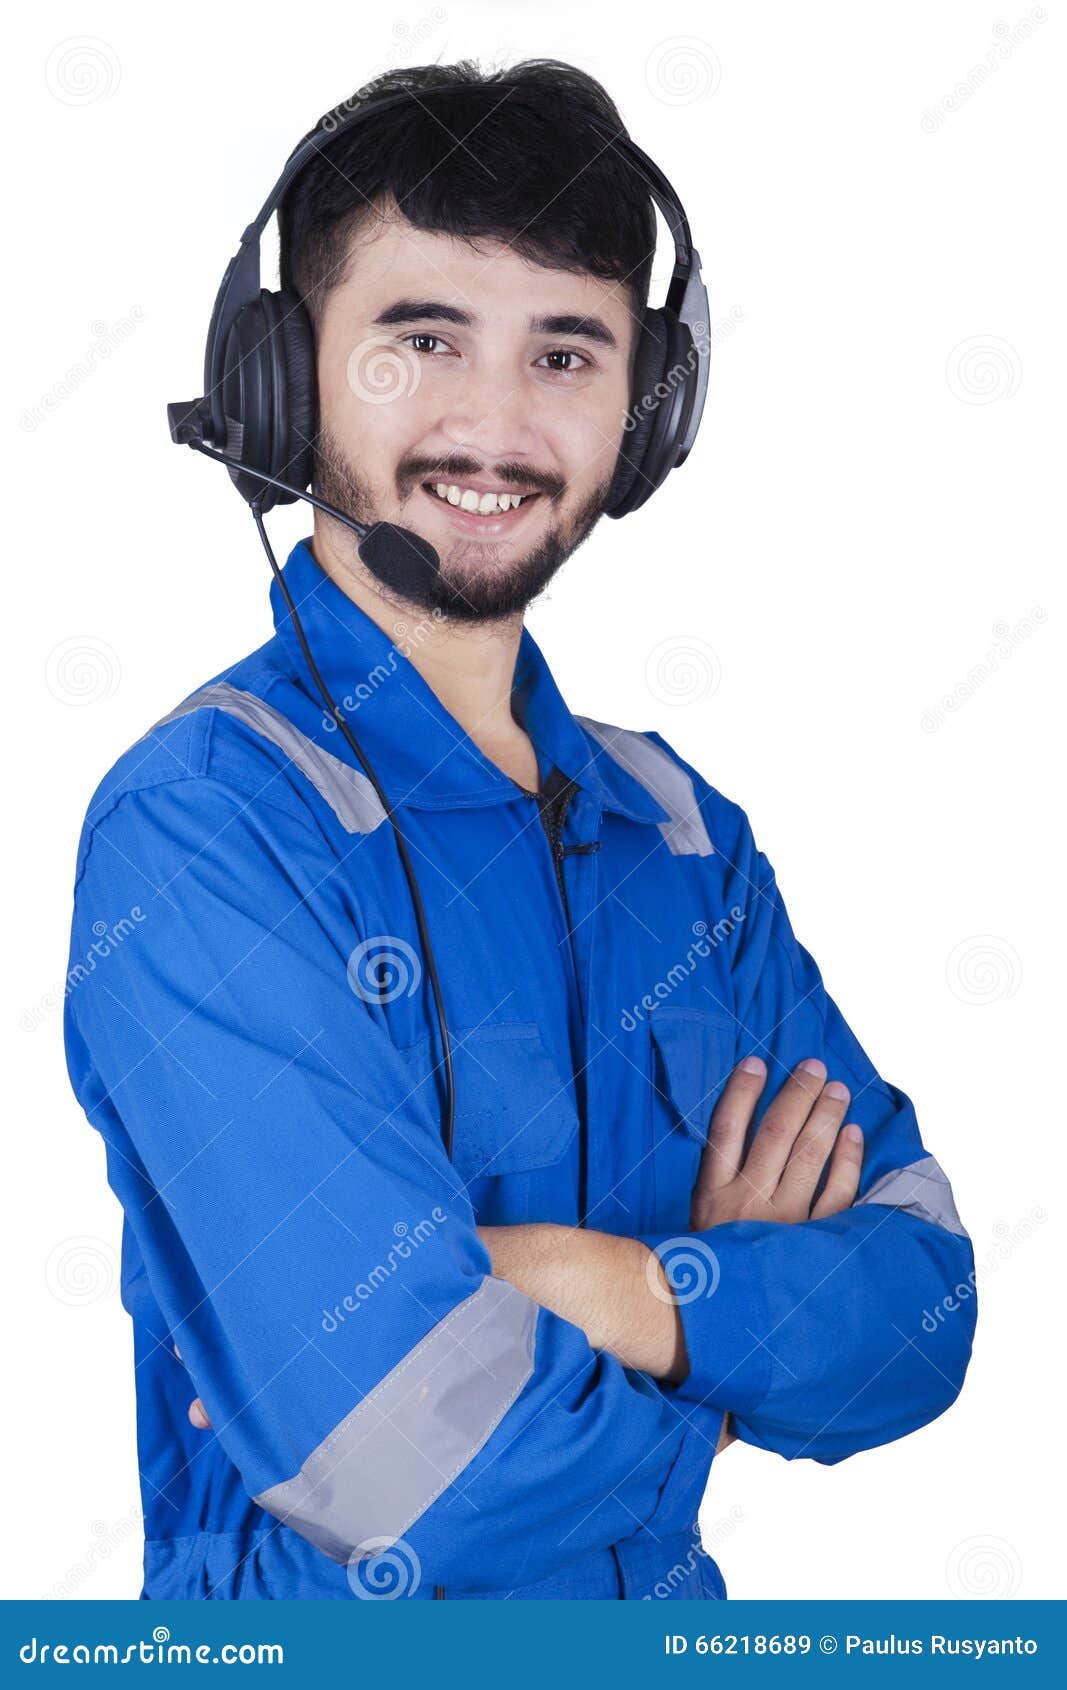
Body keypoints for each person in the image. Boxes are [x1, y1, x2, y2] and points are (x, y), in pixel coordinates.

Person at [63, 60, 975, 1602]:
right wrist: (729, 1343)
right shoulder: (209, 827)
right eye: (421, 341)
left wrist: (591, 1282)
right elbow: (425, 1470)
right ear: (283, 375)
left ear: (650, 408)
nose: (493, 423)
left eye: (567, 351)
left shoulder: (682, 838)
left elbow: (923, 1312)